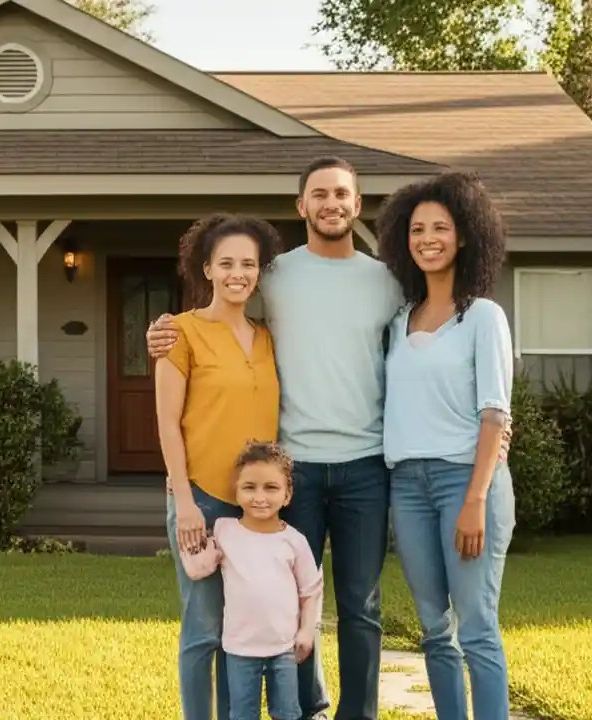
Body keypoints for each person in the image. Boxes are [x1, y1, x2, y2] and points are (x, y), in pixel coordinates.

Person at [150, 157, 401, 720]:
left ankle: (357, 714)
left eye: (342, 194)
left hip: (364, 465)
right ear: (301, 206)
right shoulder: (276, 275)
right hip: (291, 474)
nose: (331, 203)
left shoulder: (384, 280)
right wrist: (160, 331)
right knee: (274, 601)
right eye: (319, 193)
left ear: (358, 205)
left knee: (359, 605)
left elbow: (427, 337)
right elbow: (199, 336)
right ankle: (303, 704)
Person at [375, 170, 516, 720]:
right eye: (416, 229)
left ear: (464, 237)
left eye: (441, 227)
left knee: (476, 628)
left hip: (467, 482)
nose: (427, 238)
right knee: (434, 627)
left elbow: (495, 414)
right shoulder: (397, 321)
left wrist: (476, 499)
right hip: (406, 486)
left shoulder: (483, 317)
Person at [155, 212, 284, 720]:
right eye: (226, 262)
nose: (238, 273)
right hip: (203, 500)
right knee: (204, 628)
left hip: (257, 509)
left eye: (248, 264)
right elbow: (167, 422)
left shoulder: (269, 338)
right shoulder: (179, 333)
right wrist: (185, 503)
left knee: (244, 632)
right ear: (205, 269)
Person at [180, 440, 324, 720]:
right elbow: (197, 569)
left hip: (284, 648)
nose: (260, 497)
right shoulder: (224, 530)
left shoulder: (294, 541)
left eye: (271, 488)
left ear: (287, 494)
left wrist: (307, 631)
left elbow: (310, 591)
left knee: (287, 713)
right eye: (250, 487)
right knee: (243, 714)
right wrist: (187, 533)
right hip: (239, 649)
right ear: (236, 490)